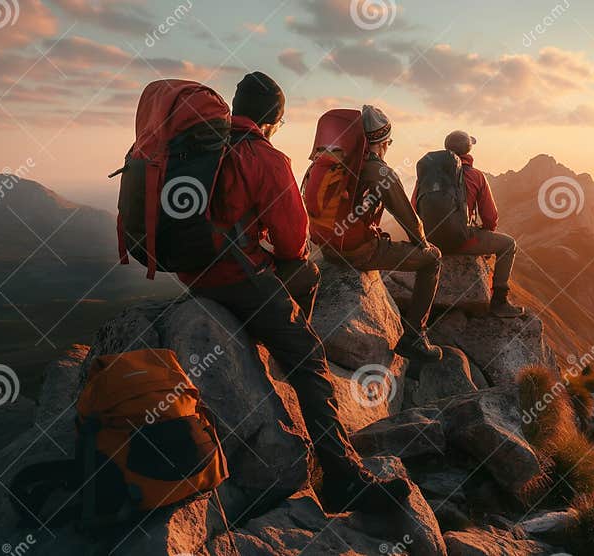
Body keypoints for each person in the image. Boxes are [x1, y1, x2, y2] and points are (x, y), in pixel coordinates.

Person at [178, 72, 409, 512]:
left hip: (190, 273)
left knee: (299, 284)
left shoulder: (203, 146)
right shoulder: (265, 157)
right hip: (232, 278)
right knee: (311, 359)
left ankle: (278, 346)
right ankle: (344, 476)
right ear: (273, 121)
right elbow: (291, 243)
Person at [317, 105, 444, 362]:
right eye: (389, 142)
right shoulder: (379, 171)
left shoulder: (335, 160)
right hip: (358, 252)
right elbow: (407, 217)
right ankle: (414, 337)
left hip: (329, 249)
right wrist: (424, 245)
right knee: (434, 260)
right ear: (383, 141)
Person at [442, 130, 525, 317]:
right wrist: (484, 240)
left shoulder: (428, 174)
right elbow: (490, 217)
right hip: (461, 241)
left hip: (431, 240)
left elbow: (415, 206)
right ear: (468, 150)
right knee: (508, 245)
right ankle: (499, 301)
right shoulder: (476, 175)